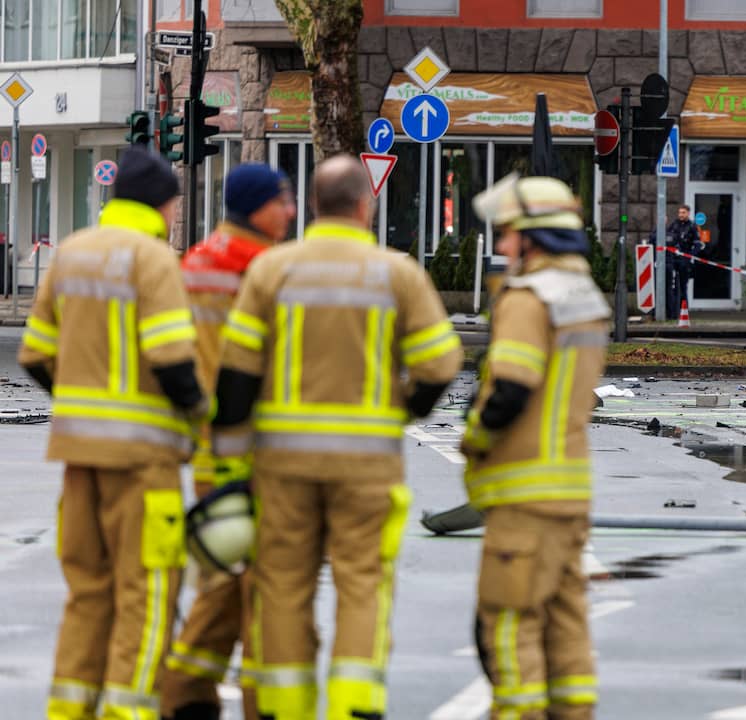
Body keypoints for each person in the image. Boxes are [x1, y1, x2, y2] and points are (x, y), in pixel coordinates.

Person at [208, 154, 462, 720]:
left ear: (314, 206)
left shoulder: (272, 272)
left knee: (281, 586)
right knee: (362, 584)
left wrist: (229, 468)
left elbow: (237, 378)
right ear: (365, 205)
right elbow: (440, 365)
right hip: (366, 468)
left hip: (282, 467)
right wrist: (402, 413)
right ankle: (355, 705)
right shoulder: (395, 272)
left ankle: (282, 707)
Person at [19, 146, 206, 720]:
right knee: (146, 595)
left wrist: (78, 406)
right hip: (143, 461)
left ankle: (69, 711)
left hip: (80, 457)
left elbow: (35, 356)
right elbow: (174, 362)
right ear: (164, 204)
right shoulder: (153, 260)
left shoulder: (71, 254)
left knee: (87, 593)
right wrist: (202, 420)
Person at [463, 173, 610, 719]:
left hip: (524, 493)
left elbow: (510, 388)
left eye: (509, 234)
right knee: (566, 622)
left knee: (510, 623)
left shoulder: (529, 298)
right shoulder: (586, 297)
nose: (502, 246)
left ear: (535, 237)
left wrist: (473, 439)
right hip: (569, 493)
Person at [159, 164, 296, 720]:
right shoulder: (266, 269)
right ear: (257, 207)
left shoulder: (193, 261)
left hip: (209, 449)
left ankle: (187, 690)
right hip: (258, 448)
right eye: (282, 201)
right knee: (268, 583)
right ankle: (263, 703)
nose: (289, 211)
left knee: (223, 575)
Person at [665, 204, 704, 314]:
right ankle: (673, 311)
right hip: (673, 259)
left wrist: (690, 255)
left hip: (684, 260)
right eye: (679, 212)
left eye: (683, 213)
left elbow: (698, 244)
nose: (681, 215)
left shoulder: (692, 226)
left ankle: (684, 312)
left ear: (688, 213)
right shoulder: (674, 224)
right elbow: (667, 238)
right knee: (672, 286)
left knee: (682, 286)